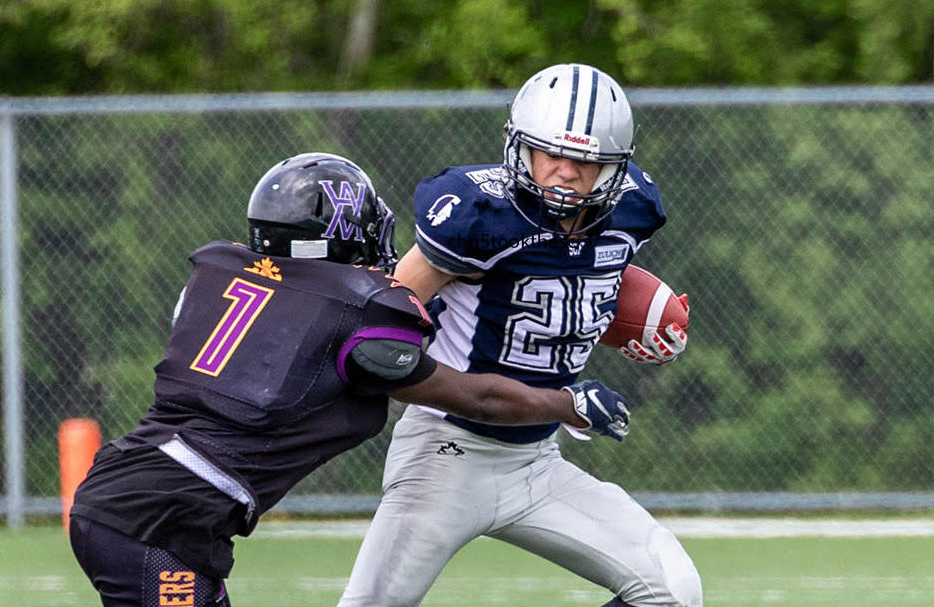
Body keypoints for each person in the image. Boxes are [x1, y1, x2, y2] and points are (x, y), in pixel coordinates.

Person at [67, 152, 634, 607]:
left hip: (145, 497)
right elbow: (474, 395)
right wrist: (564, 402)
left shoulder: (219, 271)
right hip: (160, 520)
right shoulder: (358, 315)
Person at [337, 64, 702, 607]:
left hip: (535, 462)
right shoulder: (478, 213)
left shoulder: (631, 210)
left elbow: (578, 280)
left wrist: (631, 318)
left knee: (672, 590)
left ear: (614, 167)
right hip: (445, 451)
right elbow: (384, 321)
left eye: (586, 161)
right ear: (518, 145)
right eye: (549, 153)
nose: (565, 172)